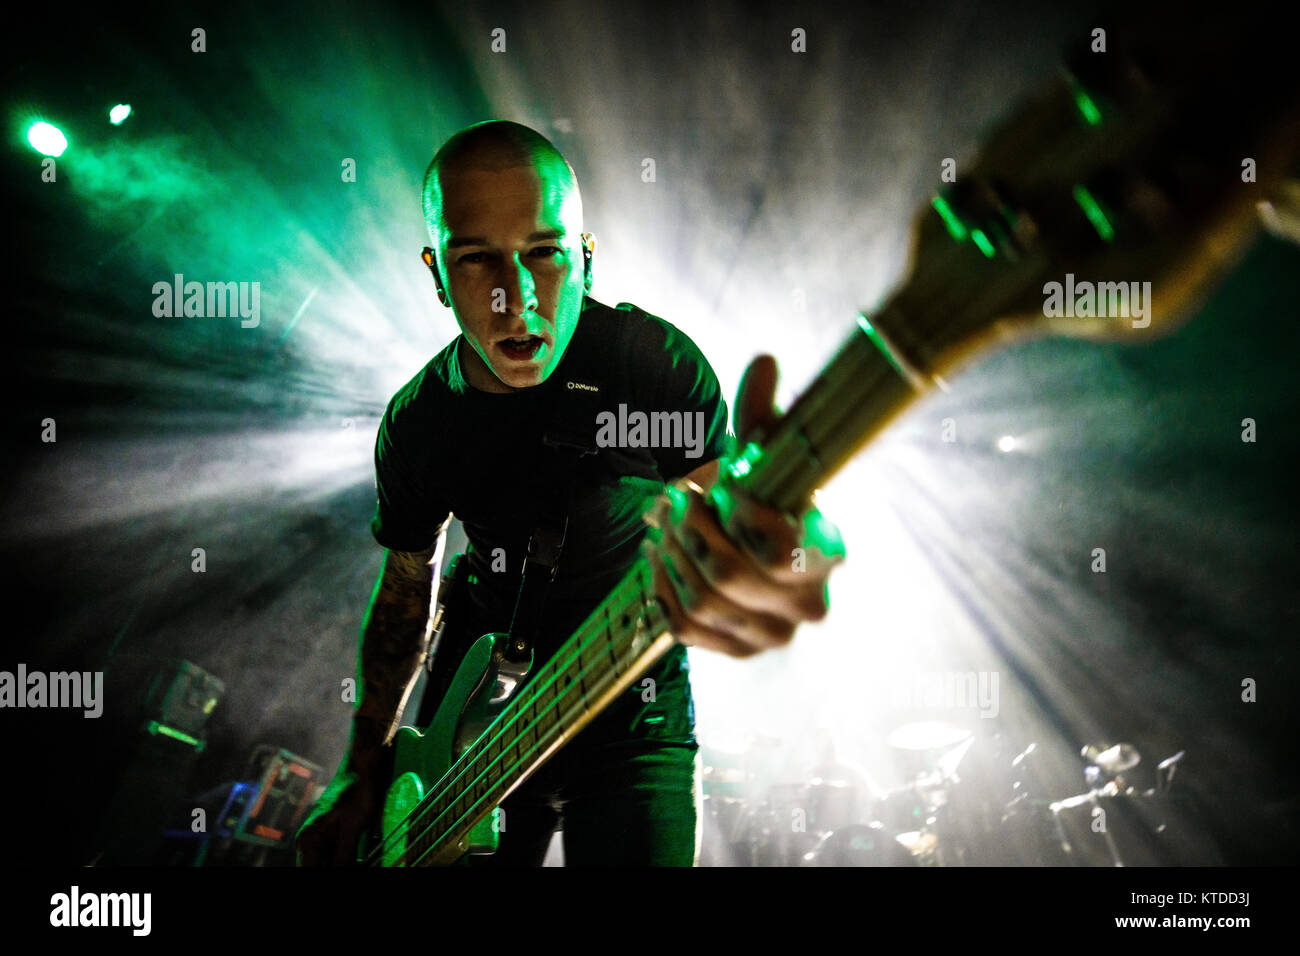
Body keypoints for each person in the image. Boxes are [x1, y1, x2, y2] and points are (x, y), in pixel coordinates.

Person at [295, 120, 844, 866]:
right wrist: (361, 772)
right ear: (435, 273)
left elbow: (735, 520)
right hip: (472, 712)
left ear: (585, 259)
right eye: (477, 259)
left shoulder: (651, 367)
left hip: (629, 697)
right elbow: (403, 599)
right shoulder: (418, 421)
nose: (514, 297)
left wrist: (790, 551)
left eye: (544, 255)